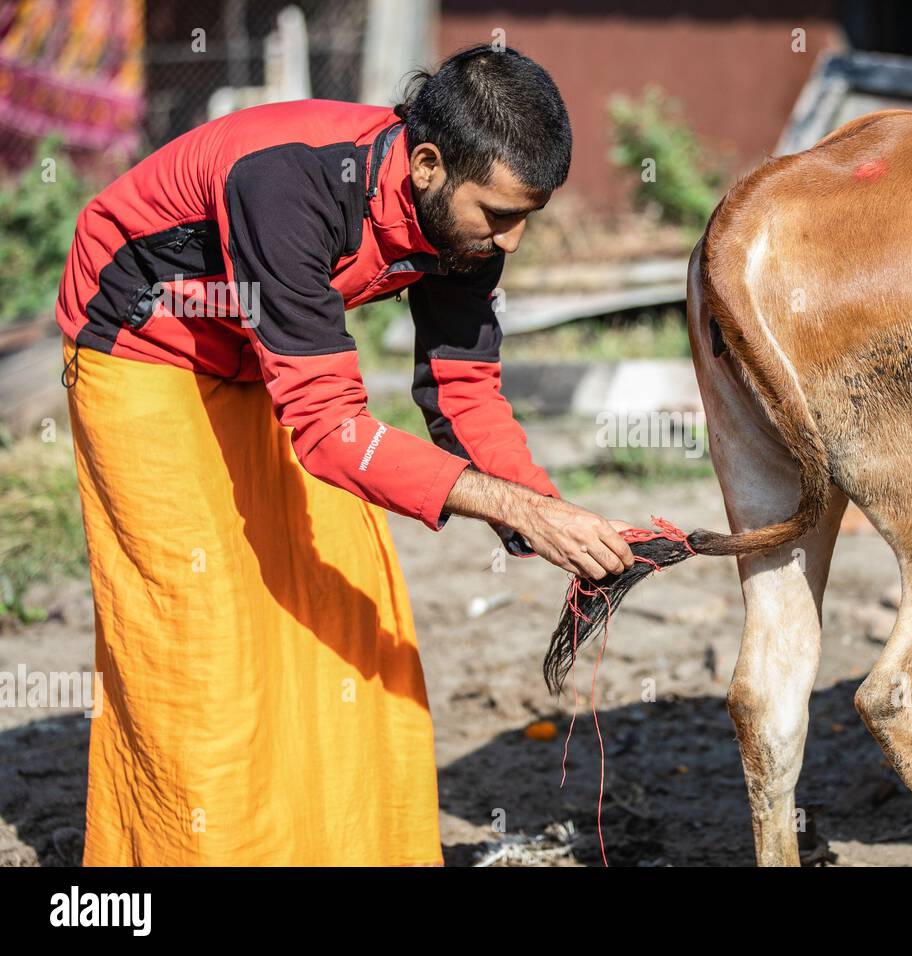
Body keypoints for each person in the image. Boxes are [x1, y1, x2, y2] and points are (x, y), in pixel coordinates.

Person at [55, 44, 634, 866]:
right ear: (427, 163)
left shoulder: (459, 228)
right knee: (201, 636)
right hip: (144, 346)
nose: (513, 241)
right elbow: (328, 431)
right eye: (500, 215)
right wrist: (513, 507)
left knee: (356, 616)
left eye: (528, 217)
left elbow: (463, 392)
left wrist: (547, 517)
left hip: (261, 357)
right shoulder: (286, 182)